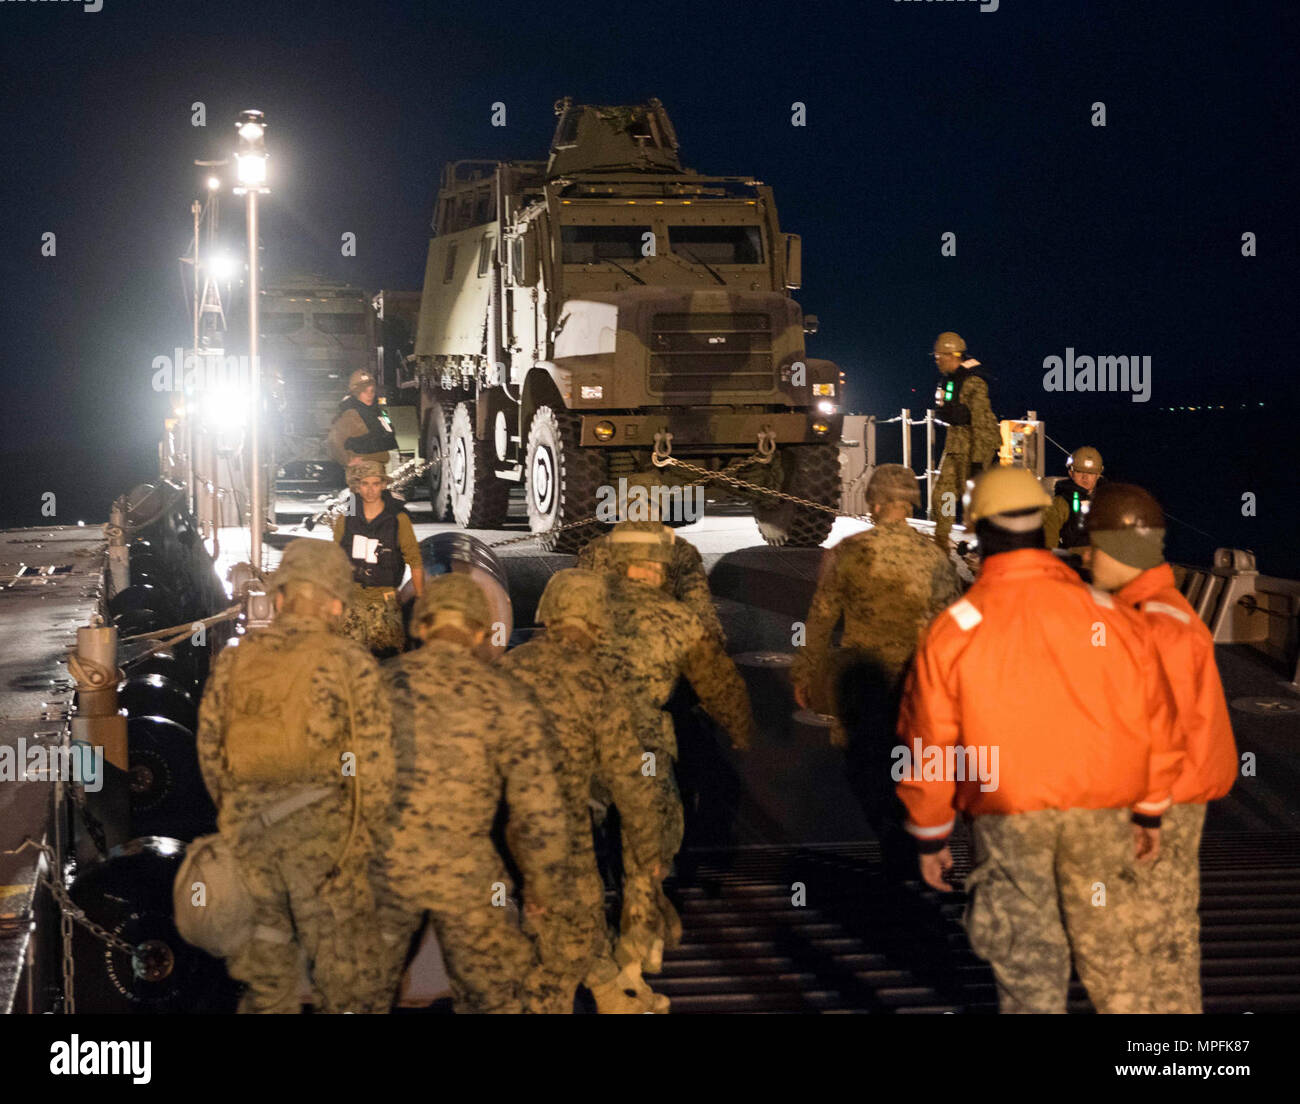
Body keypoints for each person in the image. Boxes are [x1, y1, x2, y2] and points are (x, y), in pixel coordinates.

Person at [896, 466, 1183, 1014]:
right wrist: (1150, 811)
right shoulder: (1109, 613)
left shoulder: (957, 626)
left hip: (1010, 816)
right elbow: (1156, 718)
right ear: (1042, 529)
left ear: (977, 533)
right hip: (1103, 813)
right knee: (1116, 960)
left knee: (1030, 972)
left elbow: (930, 742)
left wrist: (931, 835)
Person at [194, 538, 395, 1014]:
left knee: (266, 989)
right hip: (325, 849)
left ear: (280, 598)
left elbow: (209, 752)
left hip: (247, 846)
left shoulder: (234, 660)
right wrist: (358, 851)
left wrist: (238, 814)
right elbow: (376, 773)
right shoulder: (352, 666)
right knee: (347, 990)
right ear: (336, 603)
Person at [378, 574, 569, 1014]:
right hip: (469, 870)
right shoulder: (507, 696)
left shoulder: (378, 685)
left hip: (387, 869)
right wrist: (541, 889)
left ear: (421, 627)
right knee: (496, 996)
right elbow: (539, 809)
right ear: (482, 631)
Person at [1086, 481, 1237, 1013]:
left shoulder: (1152, 622)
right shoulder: (1162, 610)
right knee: (1168, 936)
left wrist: (1145, 814)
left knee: (1131, 945)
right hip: (1173, 799)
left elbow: (1161, 729)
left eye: (1091, 544)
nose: (1085, 555)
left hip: (1158, 804)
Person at [504, 569, 670, 1014]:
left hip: (501, 831)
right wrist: (649, 848)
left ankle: (610, 995)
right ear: (599, 622)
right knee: (575, 924)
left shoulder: (506, 667)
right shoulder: (598, 683)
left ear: (547, 613)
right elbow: (630, 782)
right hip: (564, 836)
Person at [594, 520, 756, 974]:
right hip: (645, 748)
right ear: (658, 566)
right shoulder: (677, 618)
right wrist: (741, 732)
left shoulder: (586, 610)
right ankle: (641, 936)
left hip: (582, 743)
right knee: (650, 842)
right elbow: (719, 685)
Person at [791, 463, 961, 879]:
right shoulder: (934, 555)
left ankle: (891, 845)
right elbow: (952, 624)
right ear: (910, 503)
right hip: (918, 686)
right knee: (913, 767)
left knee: (869, 769)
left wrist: (805, 674)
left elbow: (820, 619)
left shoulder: (848, 552)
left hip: (864, 683)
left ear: (874, 501)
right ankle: (914, 847)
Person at [576, 476, 724, 643]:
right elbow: (700, 609)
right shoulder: (680, 550)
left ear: (621, 508)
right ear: (660, 508)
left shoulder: (596, 549)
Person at [334, 459, 424, 659]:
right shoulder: (346, 518)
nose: (370, 490)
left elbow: (414, 559)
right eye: (365, 484)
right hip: (353, 598)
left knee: (388, 658)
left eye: (375, 484)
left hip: (384, 599)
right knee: (347, 659)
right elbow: (335, 559)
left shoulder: (397, 519)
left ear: (383, 485)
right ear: (357, 487)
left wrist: (421, 598)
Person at [929, 332, 1000, 549]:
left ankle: (990, 547)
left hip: (976, 449)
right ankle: (942, 538)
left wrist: (978, 463)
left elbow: (981, 422)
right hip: (956, 448)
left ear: (951, 355)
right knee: (944, 495)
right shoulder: (951, 380)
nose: (937, 361)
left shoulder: (973, 382)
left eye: (940, 357)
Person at [327, 369, 398, 470]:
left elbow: (388, 431)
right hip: (364, 471)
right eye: (364, 391)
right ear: (356, 393)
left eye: (372, 391)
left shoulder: (377, 411)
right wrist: (347, 461)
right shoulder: (351, 414)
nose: (370, 395)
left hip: (382, 466)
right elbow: (333, 441)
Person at [1043, 445, 1105, 550]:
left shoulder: (1108, 501)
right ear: (1071, 473)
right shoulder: (1060, 503)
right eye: (1079, 471)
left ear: (1098, 475)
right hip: (1070, 563)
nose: (1085, 477)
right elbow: (1049, 540)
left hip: (1102, 563)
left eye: (1090, 473)